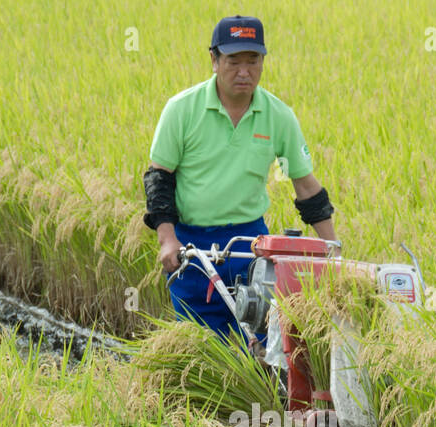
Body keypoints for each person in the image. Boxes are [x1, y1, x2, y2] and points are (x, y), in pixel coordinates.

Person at [143, 15, 340, 350]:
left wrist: (334, 253)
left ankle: (266, 400)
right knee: (202, 349)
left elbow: (305, 187)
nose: (244, 72)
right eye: (234, 61)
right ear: (214, 59)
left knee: (267, 345)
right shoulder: (182, 111)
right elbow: (159, 179)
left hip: (251, 244)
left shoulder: (277, 117)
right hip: (193, 247)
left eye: (254, 61)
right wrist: (167, 239)